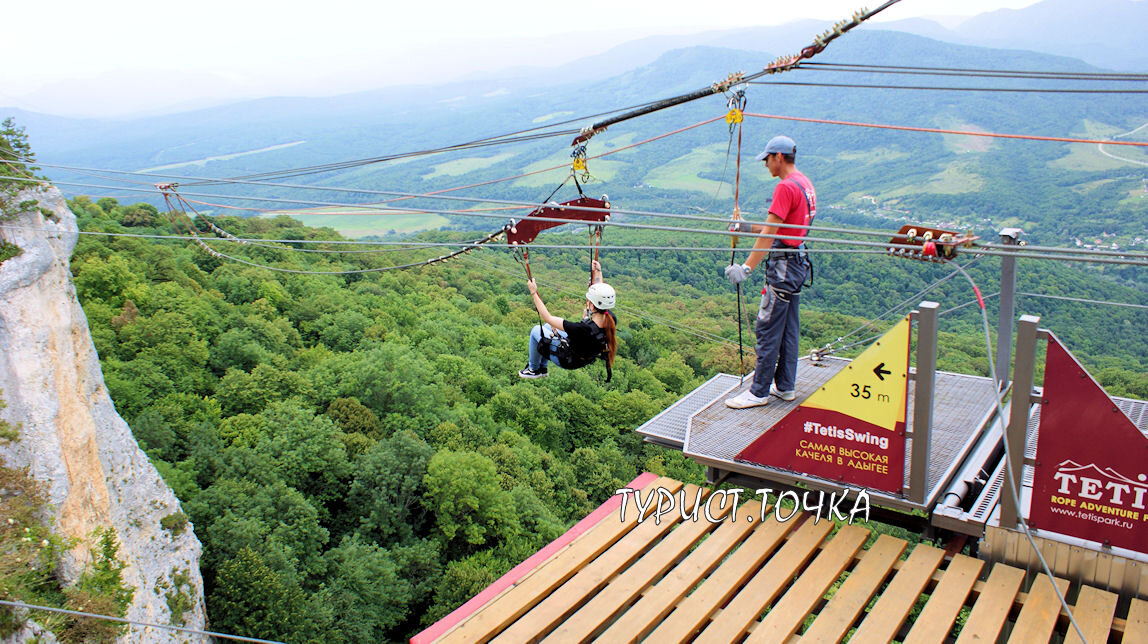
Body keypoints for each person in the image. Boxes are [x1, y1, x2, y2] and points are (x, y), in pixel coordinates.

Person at [723, 135, 816, 409]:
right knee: (788, 328)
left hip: (783, 267)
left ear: (778, 156)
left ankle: (759, 391)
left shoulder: (786, 188)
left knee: (767, 326)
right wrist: (745, 227)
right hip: (798, 262)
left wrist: (746, 268)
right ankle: (785, 386)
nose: (765, 165)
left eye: (767, 159)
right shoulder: (804, 183)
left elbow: (770, 235)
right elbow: (782, 228)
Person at [520, 260, 618, 379]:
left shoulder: (582, 329)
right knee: (547, 327)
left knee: (537, 330)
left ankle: (533, 369)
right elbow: (601, 296)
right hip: (582, 355)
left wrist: (533, 292)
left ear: (592, 306)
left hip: (567, 359)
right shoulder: (610, 319)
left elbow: (547, 317)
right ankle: (543, 368)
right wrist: (598, 271)